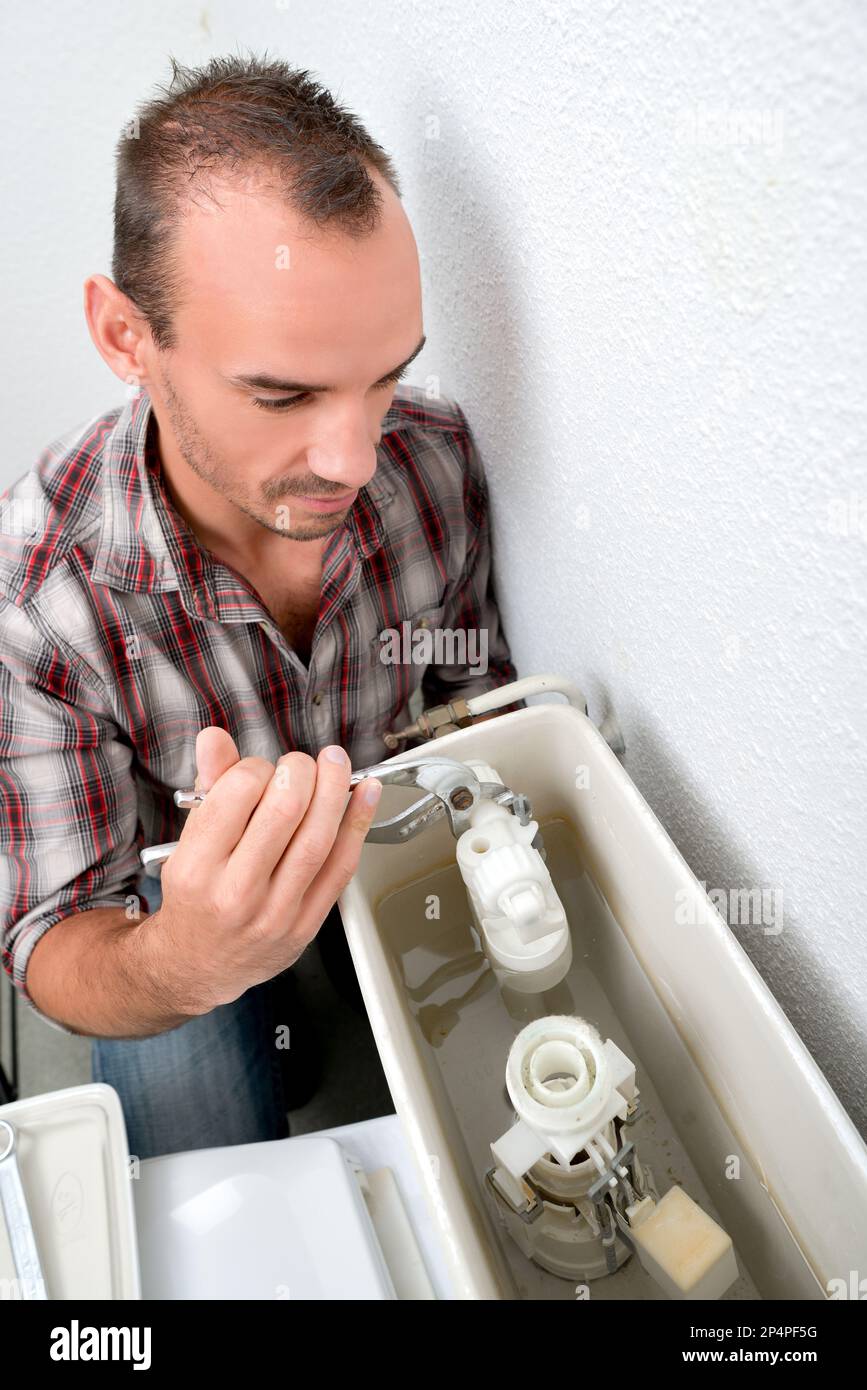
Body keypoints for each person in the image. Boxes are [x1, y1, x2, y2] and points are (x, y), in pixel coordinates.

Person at [0, 53, 519, 1160]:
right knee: (217, 1175)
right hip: (167, 909)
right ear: (127, 337)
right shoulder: (40, 590)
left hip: (380, 837)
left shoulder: (435, 461)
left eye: (383, 377)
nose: (354, 457)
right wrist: (189, 956)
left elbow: (480, 706)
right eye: (282, 393)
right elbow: (51, 937)